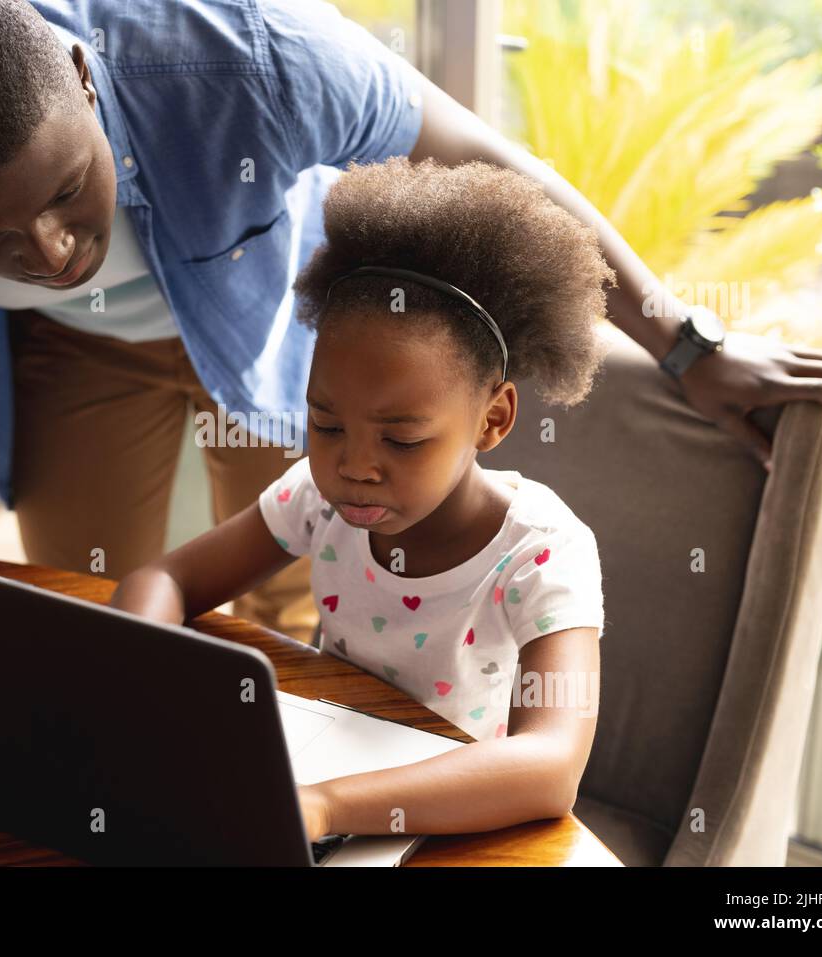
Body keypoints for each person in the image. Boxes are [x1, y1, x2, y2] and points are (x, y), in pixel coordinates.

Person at [0, 0, 822, 644]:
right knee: (94, 613)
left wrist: (687, 343)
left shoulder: (244, 56)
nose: (53, 253)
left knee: (301, 602)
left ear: (83, 76)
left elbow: (494, 166)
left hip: (263, 312)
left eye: (68, 196)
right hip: (55, 367)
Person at [110, 155, 613, 840]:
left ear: (492, 419)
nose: (353, 466)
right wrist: (131, 667)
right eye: (326, 424)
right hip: (324, 776)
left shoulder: (543, 552)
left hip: (459, 822)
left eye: (402, 441)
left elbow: (551, 766)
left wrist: (327, 806)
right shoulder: (318, 499)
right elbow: (165, 577)